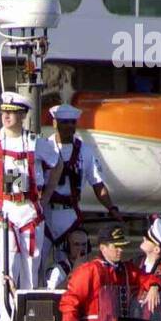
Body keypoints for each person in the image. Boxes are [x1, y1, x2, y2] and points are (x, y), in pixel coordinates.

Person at [0, 91, 62, 321]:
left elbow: (57, 164)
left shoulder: (36, 143)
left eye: (11, 112)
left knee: (31, 268)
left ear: (22, 115)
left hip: (30, 213)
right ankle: (6, 320)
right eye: (4, 112)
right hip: (5, 213)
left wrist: (48, 194)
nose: (6, 116)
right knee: (6, 269)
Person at [42, 102, 120, 261]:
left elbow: (98, 184)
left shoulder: (85, 151)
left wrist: (111, 208)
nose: (69, 126)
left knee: (69, 264)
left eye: (72, 122)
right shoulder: (44, 147)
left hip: (70, 216)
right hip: (45, 214)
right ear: (55, 123)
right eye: (65, 122)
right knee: (37, 263)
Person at [59, 224, 143, 321]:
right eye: (116, 247)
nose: (121, 250)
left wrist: (154, 286)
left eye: (122, 247)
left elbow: (146, 279)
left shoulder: (126, 270)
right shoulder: (89, 270)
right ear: (103, 248)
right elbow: (71, 299)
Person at [46, 226, 91, 290]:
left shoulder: (93, 267)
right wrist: (74, 271)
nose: (81, 248)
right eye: (76, 244)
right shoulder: (57, 270)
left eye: (84, 244)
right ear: (68, 246)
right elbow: (52, 294)